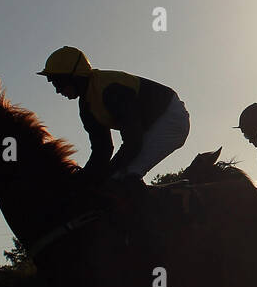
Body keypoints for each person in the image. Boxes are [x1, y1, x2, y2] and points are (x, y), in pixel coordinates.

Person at [37, 46, 190, 188]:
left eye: (58, 82)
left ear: (74, 76)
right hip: (150, 125)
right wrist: (82, 179)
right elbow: (102, 150)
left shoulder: (111, 91)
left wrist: (104, 174)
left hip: (171, 117)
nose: (57, 90)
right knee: (113, 177)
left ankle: (158, 216)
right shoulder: (86, 107)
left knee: (125, 175)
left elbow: (133, 142)